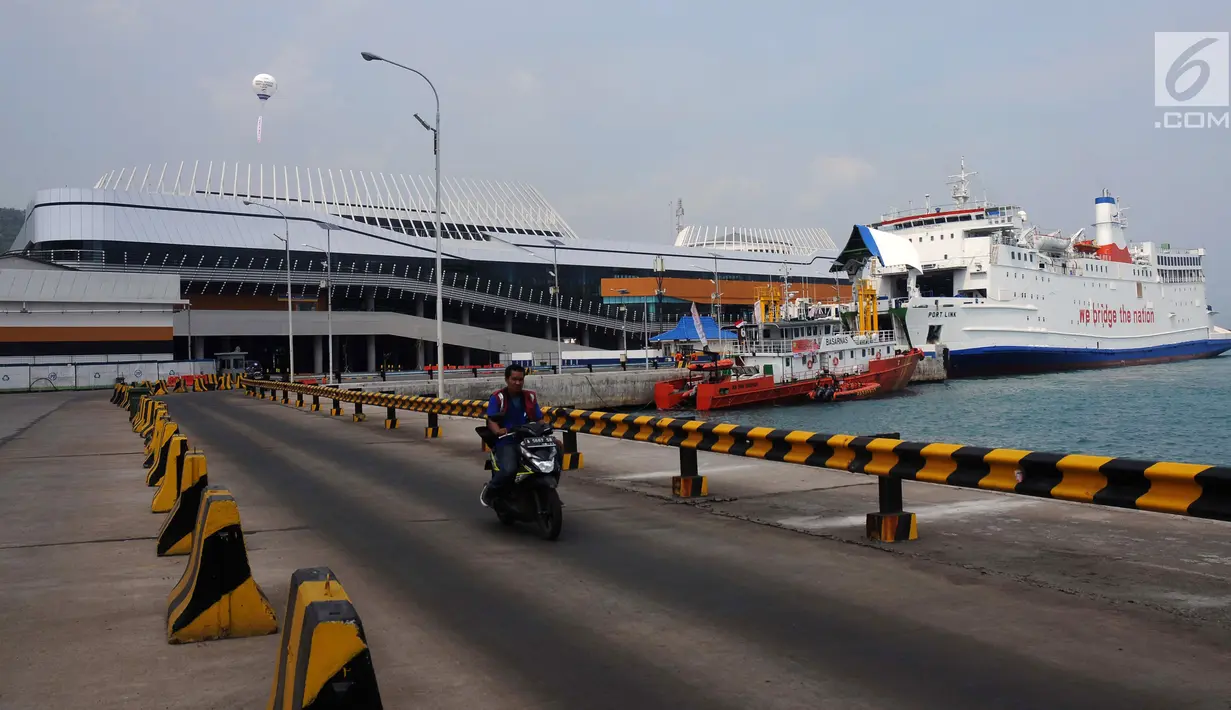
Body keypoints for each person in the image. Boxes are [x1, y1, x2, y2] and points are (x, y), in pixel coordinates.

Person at [482, 364, 558, 505]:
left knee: (556, 452)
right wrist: (498, 431)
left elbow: (538, 418)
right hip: (507, 440)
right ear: (507, 379)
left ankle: (547, 492)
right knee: (509, 469)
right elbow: (491, 420)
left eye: (520, 379)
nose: (517, 383)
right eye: (514, 379)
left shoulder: (529, 396)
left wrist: (545, 428)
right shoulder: (498, 397)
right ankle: (490, 491)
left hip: (529, 439)